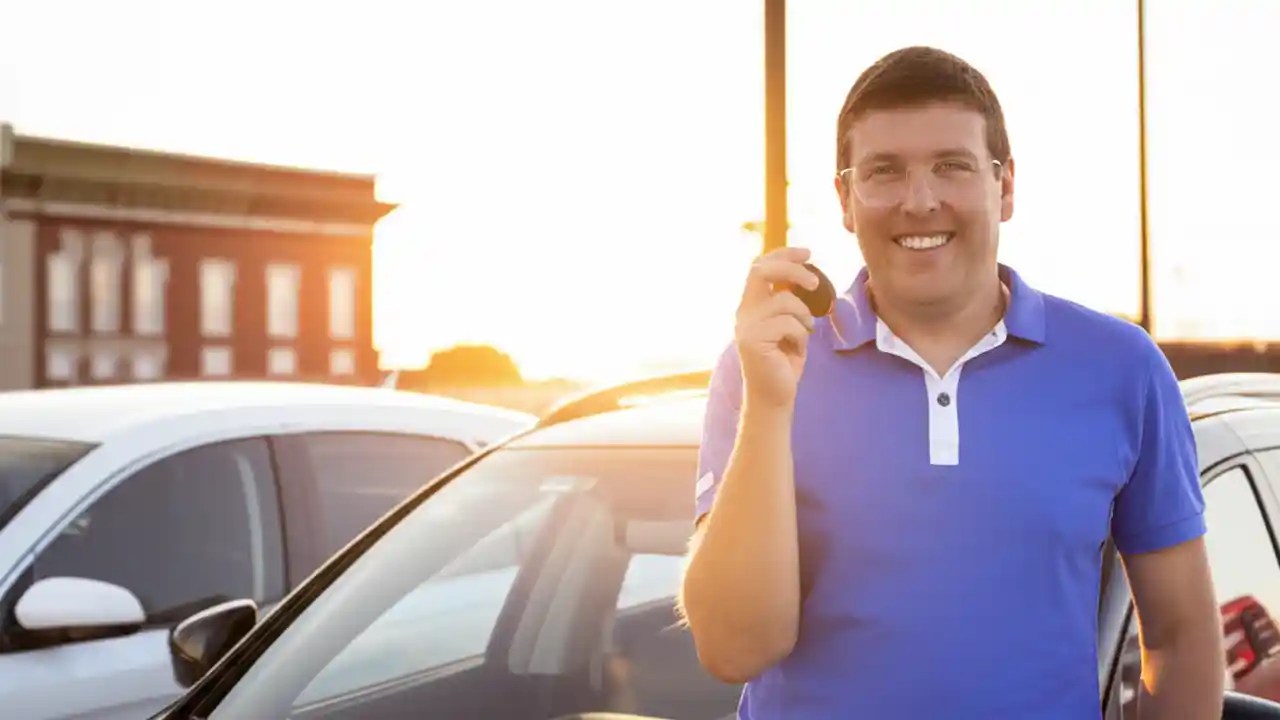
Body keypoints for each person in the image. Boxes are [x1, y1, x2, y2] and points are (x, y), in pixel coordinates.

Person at [678, 46, 1225, 719]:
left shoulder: (1122, 368)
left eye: (953, 167)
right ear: (846, 200)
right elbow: (735, 650)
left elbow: (1181, 637)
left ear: (1007, 187)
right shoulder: (760, 367)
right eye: (884, 172)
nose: (920, 200)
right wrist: (769, 405)